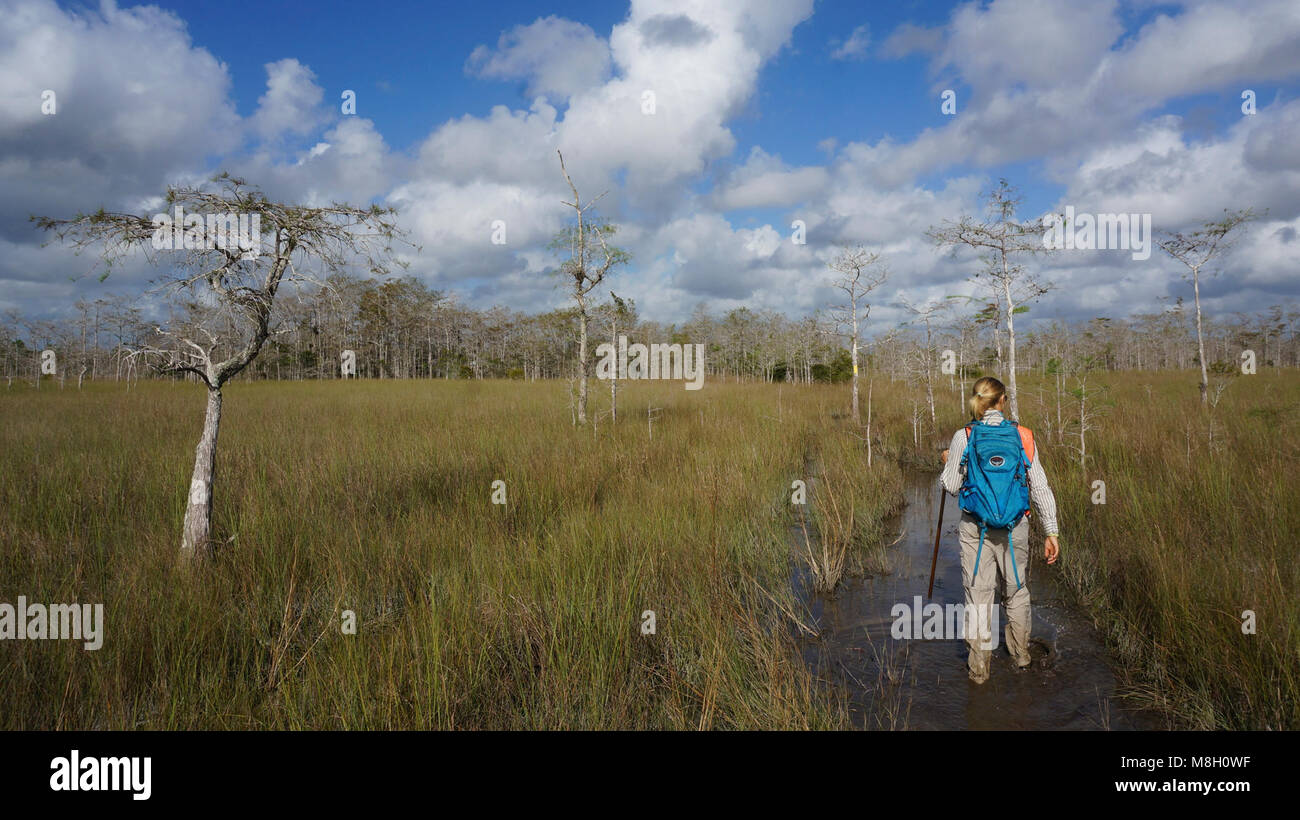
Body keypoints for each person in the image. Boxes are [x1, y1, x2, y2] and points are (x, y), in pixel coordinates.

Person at [940, 376, 1060, 684]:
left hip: (975, 529)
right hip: (1015, 527)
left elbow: (950, 485)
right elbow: (1040, 486)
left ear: (976, 401)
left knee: (978, 597)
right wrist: (1051, 530)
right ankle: (1021, 658)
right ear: (1002, 401)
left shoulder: (964, 435)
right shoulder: (1023, 435)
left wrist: (948, 463)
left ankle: (979, 673)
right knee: (1016, 592)